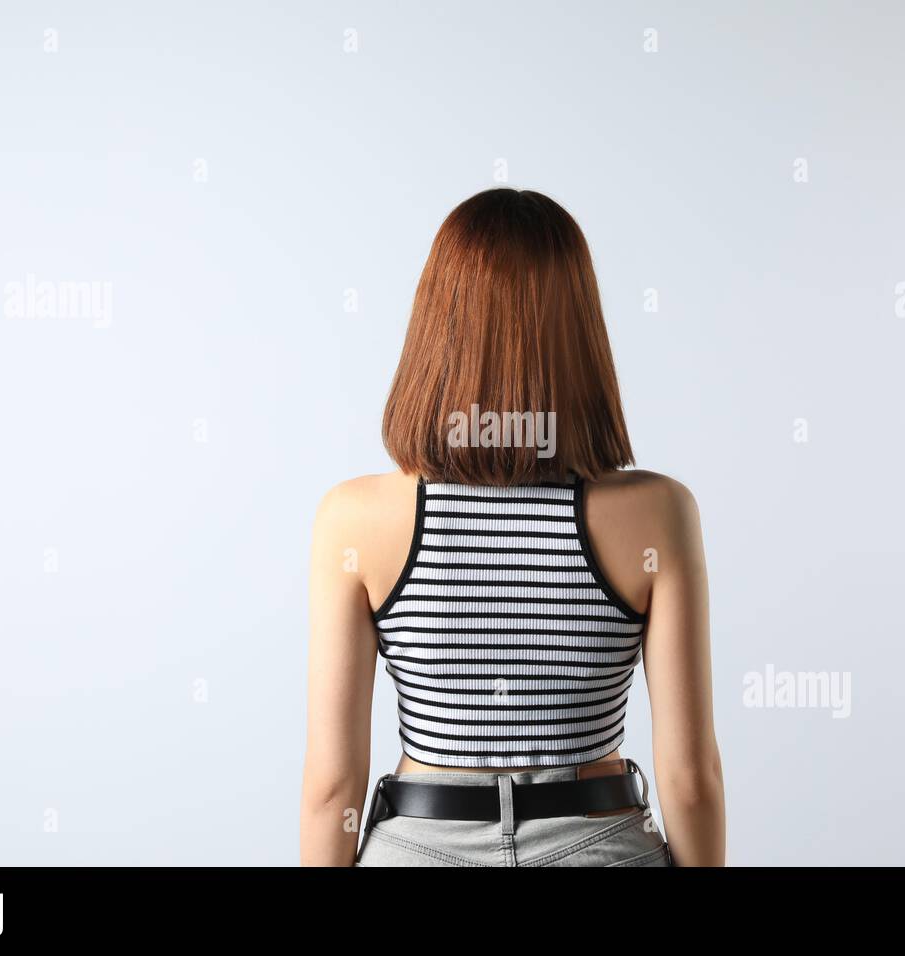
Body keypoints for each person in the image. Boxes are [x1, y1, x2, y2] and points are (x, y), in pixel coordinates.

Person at [300, 188, 724, 867]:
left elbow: (332, 788)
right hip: (601, 843)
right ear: (580, 330)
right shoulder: (659, 512)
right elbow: (690, 780)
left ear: (437, 324)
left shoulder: (356, 518)